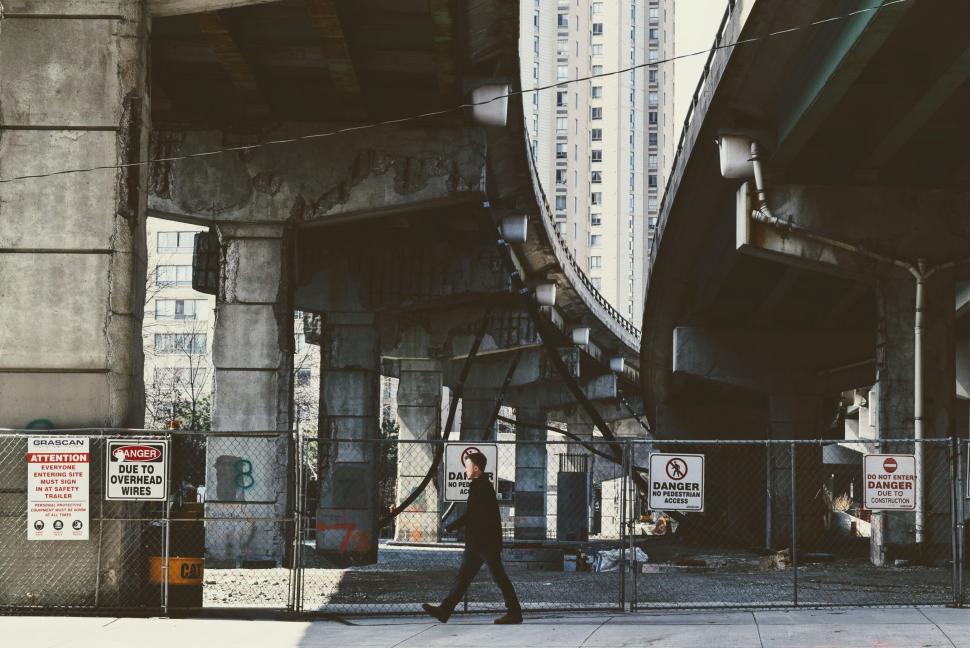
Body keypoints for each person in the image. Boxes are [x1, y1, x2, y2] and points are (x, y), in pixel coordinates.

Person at [422, 451, 522, 624]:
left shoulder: (483, 487)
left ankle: (514, 612)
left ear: (476, 468)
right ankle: (444, 611)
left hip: (486, 543)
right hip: (476, 543)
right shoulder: (478, 485)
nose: (465, 470)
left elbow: (471, 514)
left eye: (467, 466)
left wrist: (451, 526)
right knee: (463, 578)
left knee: (499, 577)